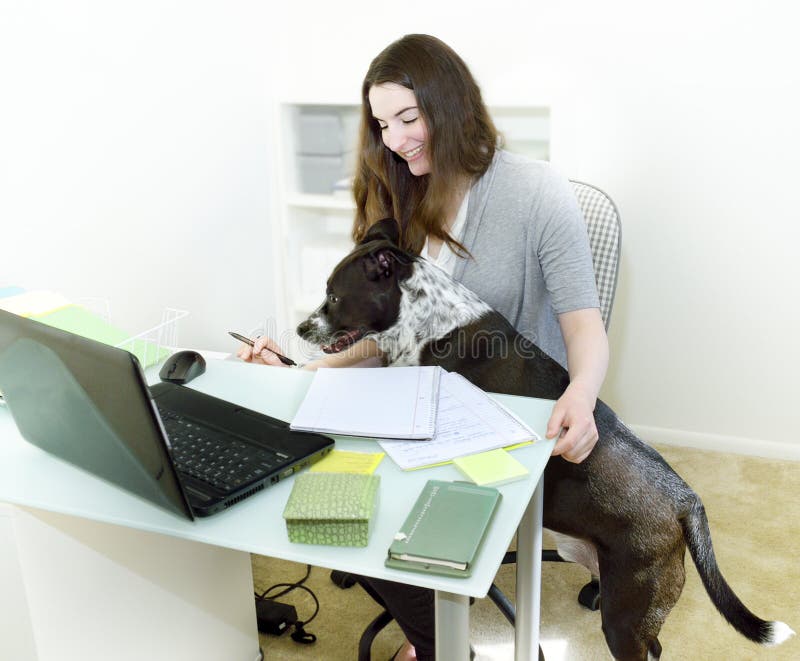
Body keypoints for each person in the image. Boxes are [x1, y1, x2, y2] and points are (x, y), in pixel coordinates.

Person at [239, 34, 609, 661]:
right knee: (326, 500)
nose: (394, 139)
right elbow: (386, 336)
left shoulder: (535, 191)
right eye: (382, 124)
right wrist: (307, 369)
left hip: (504, 409)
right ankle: (434, 631)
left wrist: (581, 391)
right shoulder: (402, 196)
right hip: (420, 401)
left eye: (408, 118)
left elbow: (584, 326)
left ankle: (438, 639)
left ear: (452, 104)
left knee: (380, 516)